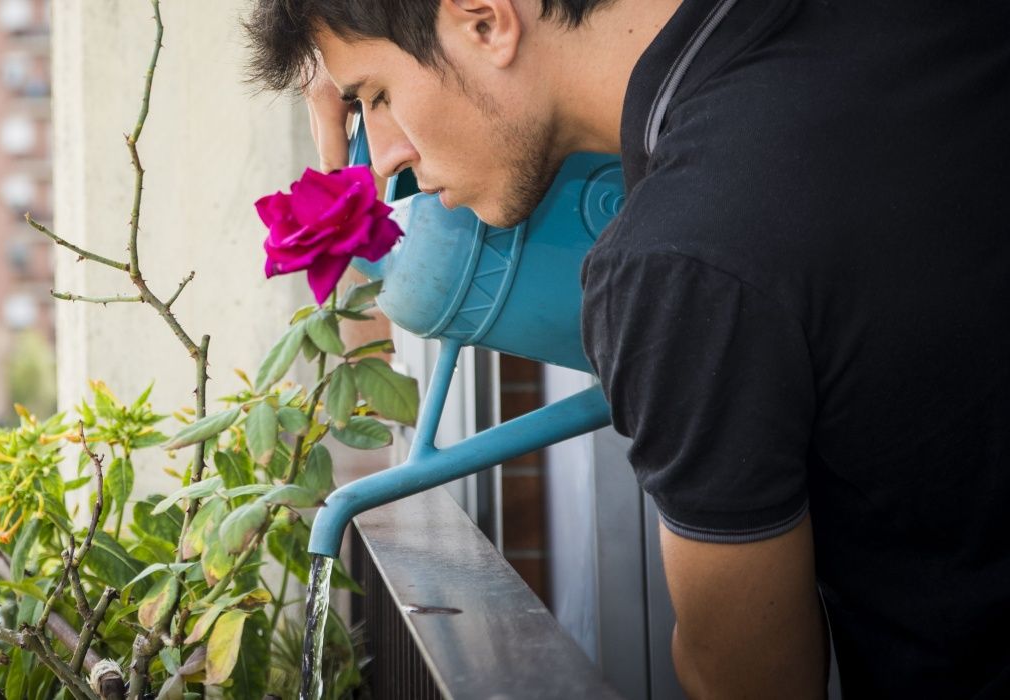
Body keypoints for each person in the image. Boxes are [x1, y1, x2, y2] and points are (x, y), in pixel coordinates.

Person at [244, 1, 1010, 697]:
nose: (379, 157)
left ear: (484, 20)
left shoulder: (679, 264)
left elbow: (750, 680)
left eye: (375, 96)